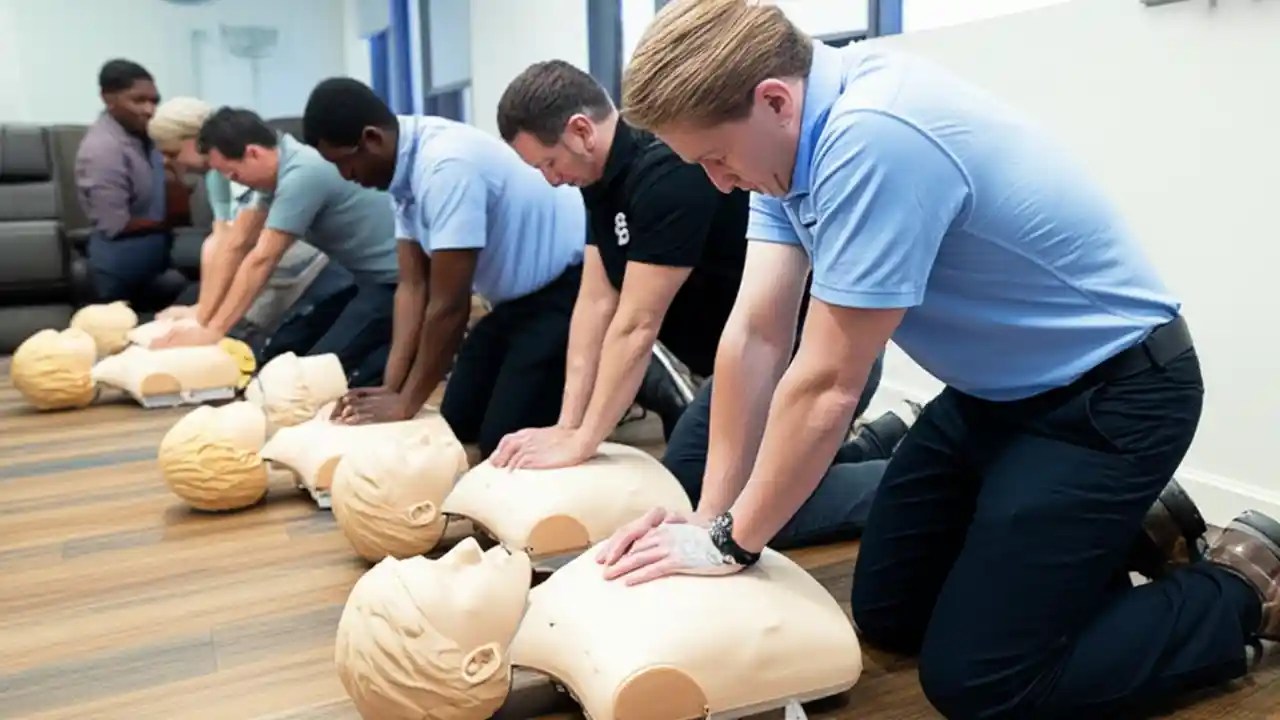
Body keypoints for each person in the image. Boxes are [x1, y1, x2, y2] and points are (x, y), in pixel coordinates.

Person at [594, 1, 1279, 718]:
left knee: (984, 683)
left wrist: (733, 545)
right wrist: (711, 520)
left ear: (773, 100)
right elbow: (758, 335)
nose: (718, 183)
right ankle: (1115, 537)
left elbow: (827, 385)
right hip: (992, 399)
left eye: (716, 158)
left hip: (1113, 397)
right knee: (892, 612)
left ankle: (1241, 588)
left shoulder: (872, 137)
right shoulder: (788, 144)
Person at [488, 58, 908, 551]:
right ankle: (883, 439)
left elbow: (637, 324)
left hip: (805, 361)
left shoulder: (664, 172)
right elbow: (595, 304)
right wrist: (567, 424)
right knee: (701, 483)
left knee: (739, 511)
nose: (550, 179)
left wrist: (583, 442)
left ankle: (923, 479)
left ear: (581, 131)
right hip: (750, 365)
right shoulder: (598, 183)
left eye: (547, 163)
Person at [301, 77, 587, 459]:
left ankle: (621, 384)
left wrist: (406, 404)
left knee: (500, 442)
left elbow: (450, 305)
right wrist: (393, 388)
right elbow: (412, 287)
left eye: (344, 162)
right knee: (458, 421)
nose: (345, 176)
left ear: (371, 139)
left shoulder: (445, 166)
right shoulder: (401, 175)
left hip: (568, 292)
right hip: (513, 305)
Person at [149, 107, 396, 388]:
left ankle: (414, 348)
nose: (233, 182)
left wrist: (213, 332)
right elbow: (237, 243)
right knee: (278, 354)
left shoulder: (303, 173)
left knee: (312, 377)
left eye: (233, 174)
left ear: (253, 153)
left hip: (395, 283)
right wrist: (202, 319)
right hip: (361, 280)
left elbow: (262, 259)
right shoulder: (274, 172)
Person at [74, 59, 190, 312]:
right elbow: (115, 224)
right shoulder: (102, 149)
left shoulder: (146, 137)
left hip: (155, 262)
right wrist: (171, 222)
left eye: (154, 101)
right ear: (108, 99)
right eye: (138, 100)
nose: (149, 110)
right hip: (119, 276)